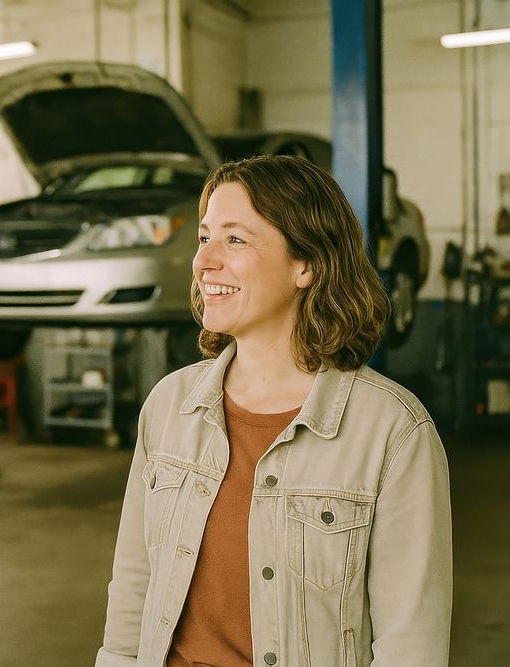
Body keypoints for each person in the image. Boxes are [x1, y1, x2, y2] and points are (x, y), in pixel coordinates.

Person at [96, 155, 452, 666]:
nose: (204, 260)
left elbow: (410, 645)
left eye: (235, 240)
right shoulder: (170, 405)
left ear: (306, 264)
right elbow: (134, 587)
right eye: (204, 237)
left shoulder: (392, 431)